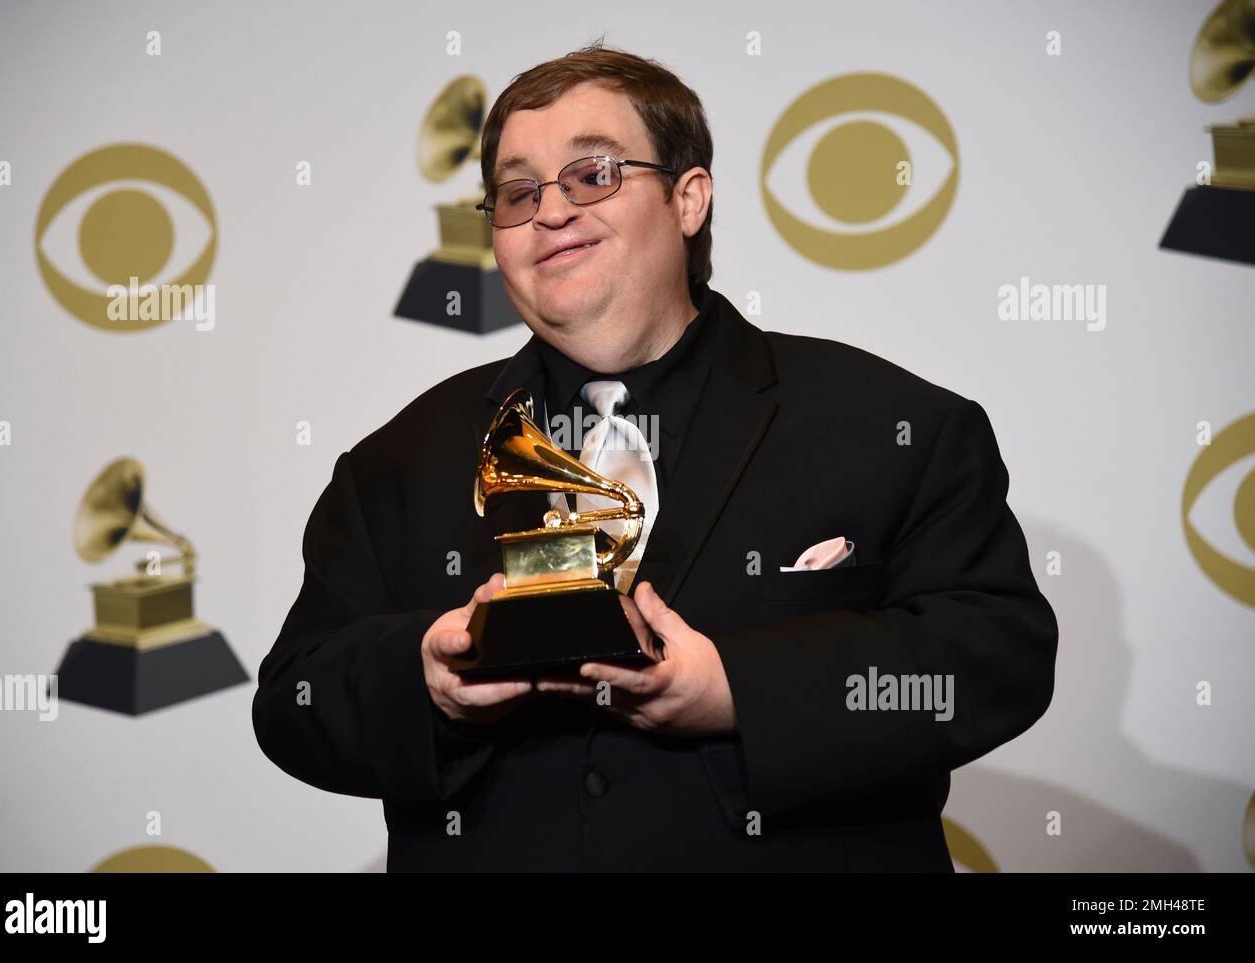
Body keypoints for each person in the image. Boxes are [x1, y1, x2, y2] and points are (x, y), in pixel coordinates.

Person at [252, 41, 1058, 872]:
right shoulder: (394, 463)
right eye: (518, 192)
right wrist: (425, 680)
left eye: (592, 174)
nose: (551, 212)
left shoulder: (896, 423)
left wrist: (739, 689)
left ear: (689, 199)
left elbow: (997, 657)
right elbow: (292, 699)